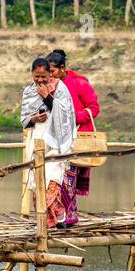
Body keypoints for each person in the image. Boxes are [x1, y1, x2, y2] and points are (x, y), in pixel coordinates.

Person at [20, 56, 80, 228]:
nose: (40, 80)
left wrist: (48, 98)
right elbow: (23, 119)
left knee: (51, 179)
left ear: (49, 74)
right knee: (36, 179)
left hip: (56, 142)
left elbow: (67, 116)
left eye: (43, 76)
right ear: (32, 74)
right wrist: (34, 118)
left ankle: (57, 215)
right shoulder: (28, 91)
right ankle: (50, 219)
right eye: (36, 76)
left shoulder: (61, 89)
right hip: (37, 139)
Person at [46, 49, 100, 197]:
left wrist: (73, 117)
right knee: (54, 179)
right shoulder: (49, 85)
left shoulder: (79, 83)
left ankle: (66, 218)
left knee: (67, 182)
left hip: (77, 138)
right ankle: (60, 217)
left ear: (62, 68)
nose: (50, 75)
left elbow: (94, 108)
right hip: (57, 139)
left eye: (52, 71)